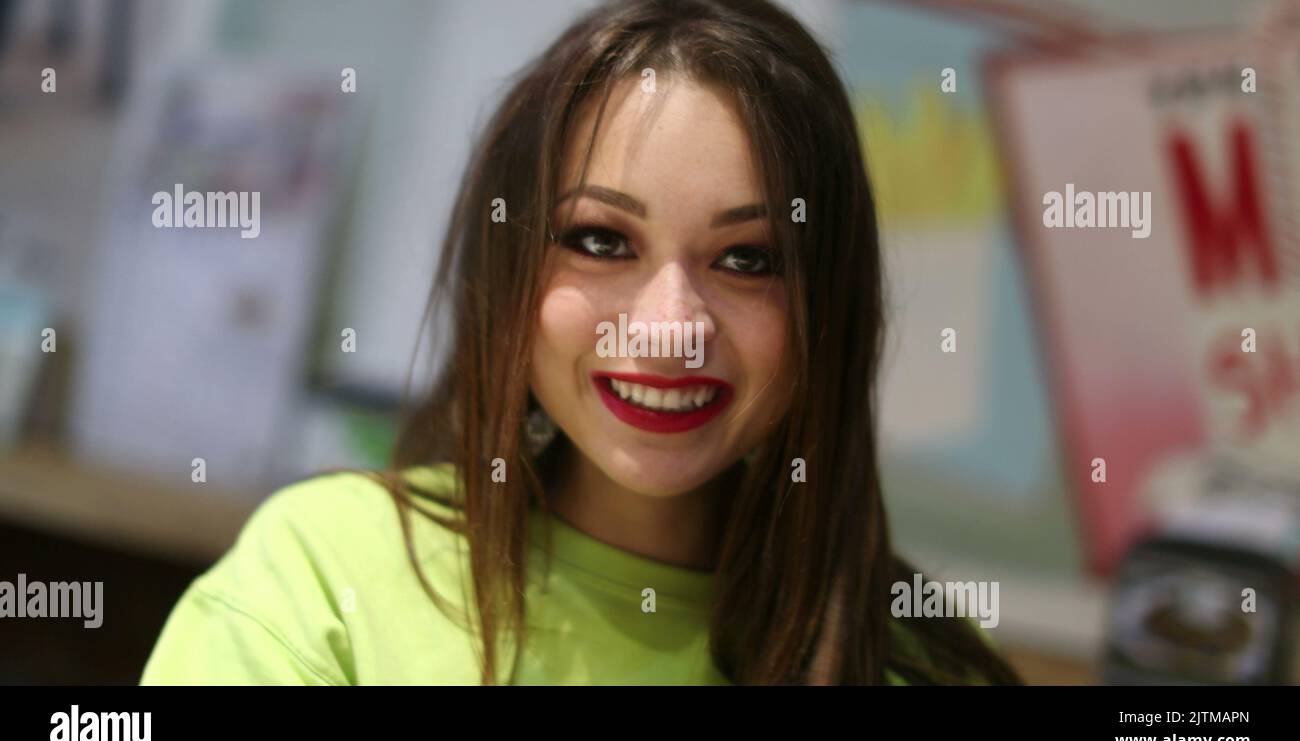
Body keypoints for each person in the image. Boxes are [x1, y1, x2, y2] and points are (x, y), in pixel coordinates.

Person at [142, 0, 1022, 686]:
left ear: (831, 304)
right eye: (602, 240)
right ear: (508, 261)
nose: (671, 329)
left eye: (748, 259)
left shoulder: (920, 661)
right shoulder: (318, 577)